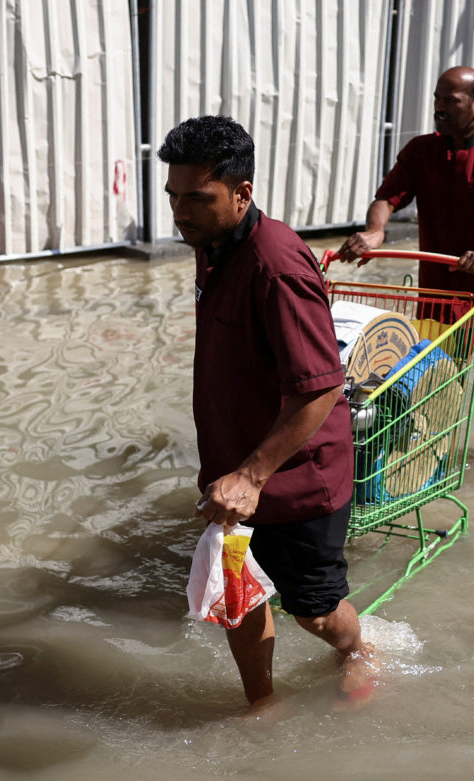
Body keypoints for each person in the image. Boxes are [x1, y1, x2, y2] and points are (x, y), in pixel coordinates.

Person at [158, 115, 377, 710]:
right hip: (233, 468)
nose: (180, 212)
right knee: (239, 593)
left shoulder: (276, 265)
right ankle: (262, 706)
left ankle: (359, 651)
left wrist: (252, 475)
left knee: (317, 614)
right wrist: (231, 472)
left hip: (296, 479)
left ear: (243, 193)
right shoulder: (211, 244)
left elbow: (321, 387)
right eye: (173, 196)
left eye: (197, 198)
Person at [337, 66, 474, 445]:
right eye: (437, 98)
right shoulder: (421, 151)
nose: (439, 107)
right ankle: (432, 451)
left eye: (451, 101)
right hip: (441, 294)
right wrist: (375, 230)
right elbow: (387, 197)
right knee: (435, 385)